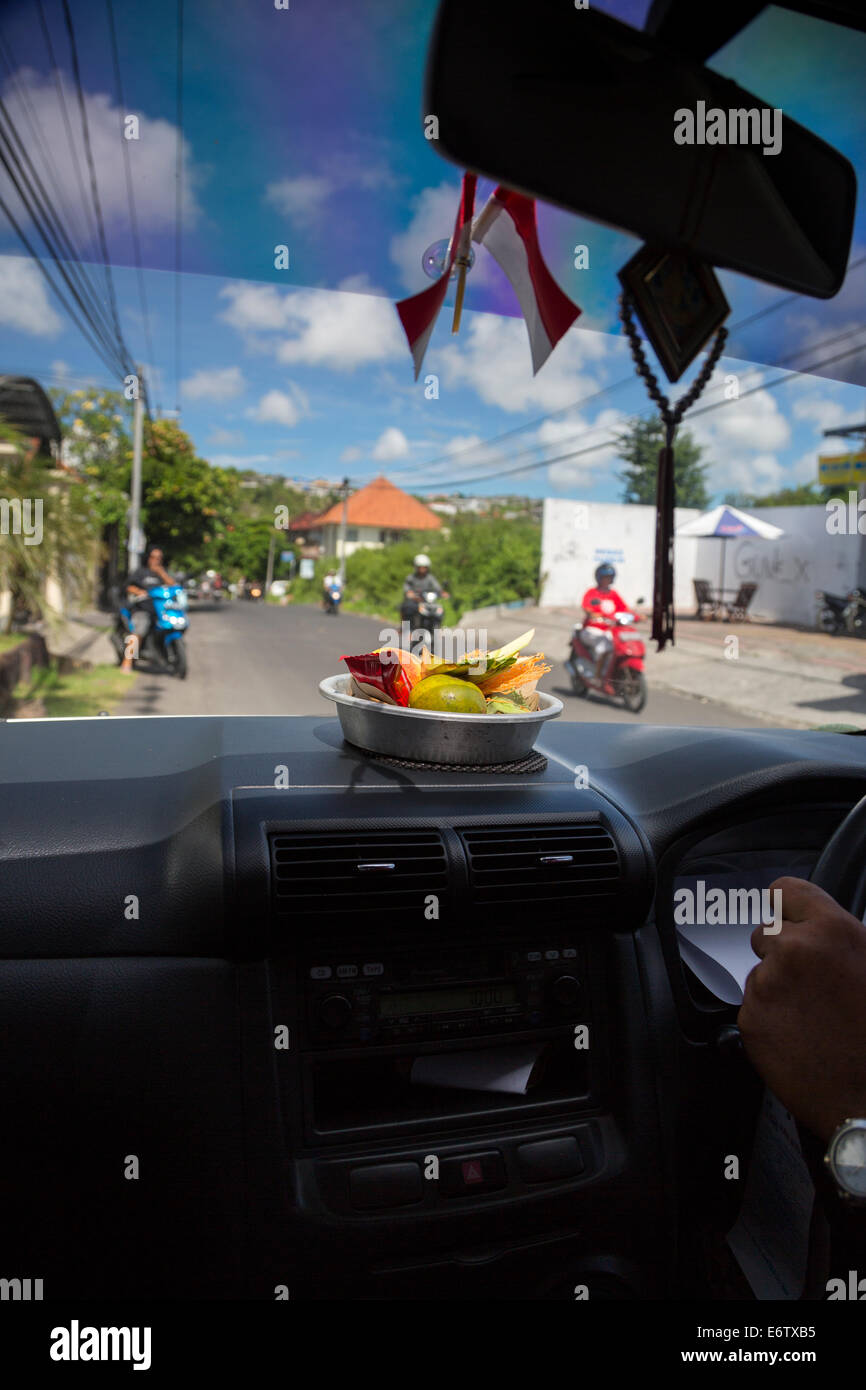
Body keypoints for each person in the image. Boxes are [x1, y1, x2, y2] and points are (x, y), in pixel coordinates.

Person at [121, 545, 175, 671]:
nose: (156, 560)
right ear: (148, 557)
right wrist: (139, 592)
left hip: (160, 610)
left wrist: (161, 572)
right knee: (138, 631)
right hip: (143, 608)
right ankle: (126, 663)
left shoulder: (162, 573)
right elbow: (128, 586)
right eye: (153, 557)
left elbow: (172, 585)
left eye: (159, 558)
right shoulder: (141, 572)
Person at [580, 562, 630, 690]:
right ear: (598, 578)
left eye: (609, 577)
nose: (606, 580)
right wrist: (592, 613)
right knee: (604, 646)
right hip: (592, 629)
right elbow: (586, 606)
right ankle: (597, 677)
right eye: (604, 577)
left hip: (610, 630)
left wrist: (637, 616)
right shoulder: (592, 592)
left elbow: (625, 609)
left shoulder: (613, 594)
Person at [401, 553, 447, 621]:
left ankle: (436, 627)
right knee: (408, 608)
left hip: (427, 601)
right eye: (420, 567)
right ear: (416, 567)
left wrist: (442, 592)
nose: (422, 569)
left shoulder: (430, 578)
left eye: (424, 567)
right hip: (414, 600)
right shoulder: (411, 578)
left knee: (439, 610)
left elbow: (437, 587)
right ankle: (407, 629)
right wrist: (409, 593)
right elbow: (406, 588)